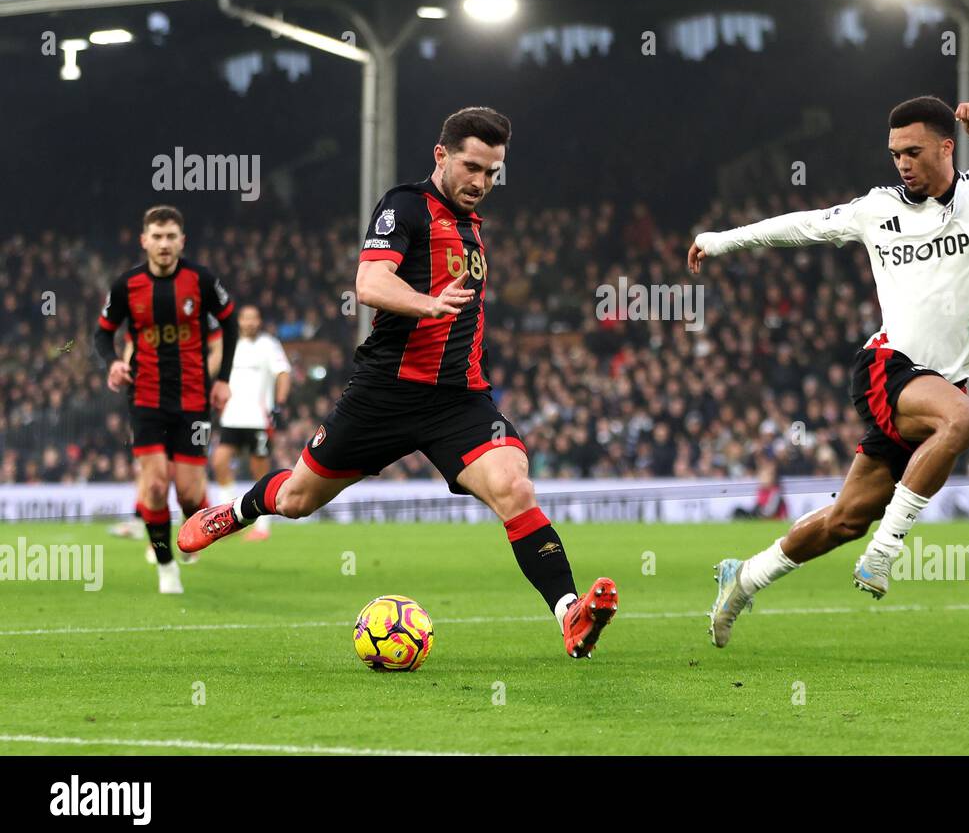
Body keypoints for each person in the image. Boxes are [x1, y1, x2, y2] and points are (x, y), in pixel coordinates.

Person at [177, 108, 617, 658]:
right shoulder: (404, 205)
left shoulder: (472, 227)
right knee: (294, 499)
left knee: (514, 486)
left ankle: (569, 614)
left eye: (492, 172)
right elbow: (369, 282)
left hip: (459, 399)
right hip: (384, 393)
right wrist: (428, 305)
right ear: (441, 155)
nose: (481, 182)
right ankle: (236, 511)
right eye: (472, 167)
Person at [689, 97, 969, 648]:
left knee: (844, 519)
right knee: (965, 421)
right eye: (894, 154)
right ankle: (884, 553)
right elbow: (803, 226)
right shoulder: (877, 208)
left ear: (946, 145)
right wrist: (721, 240)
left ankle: (741, 578)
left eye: (913, 151)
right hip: (888, 367)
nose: (902, 163)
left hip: (937, 383)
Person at [95, 205, 237, 593]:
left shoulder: (201, 280)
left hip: (193, 401)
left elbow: (230, 321)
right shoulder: (127, 286)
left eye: (171, 236)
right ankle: (165, 566)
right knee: (155, 486)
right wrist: (112, 364)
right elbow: (102, 333)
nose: (163, 244)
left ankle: (191, 536)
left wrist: (222, 379)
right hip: (144, 398)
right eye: (156, 237)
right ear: (144, 241)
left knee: (191, 494)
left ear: (181, 241)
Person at [211, 304, 291, 540]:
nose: (250, 322)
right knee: (219, 463)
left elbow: (283, 374)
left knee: (261, 472)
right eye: (245, 318)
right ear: (239, 321)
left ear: (259, 321)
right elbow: (212, 367)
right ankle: (228, 520)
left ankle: (263, 528)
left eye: (254, 318)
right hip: (231, 418)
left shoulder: (269, 345)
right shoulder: (229, 343)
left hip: (258, 420)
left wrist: (279, 404)